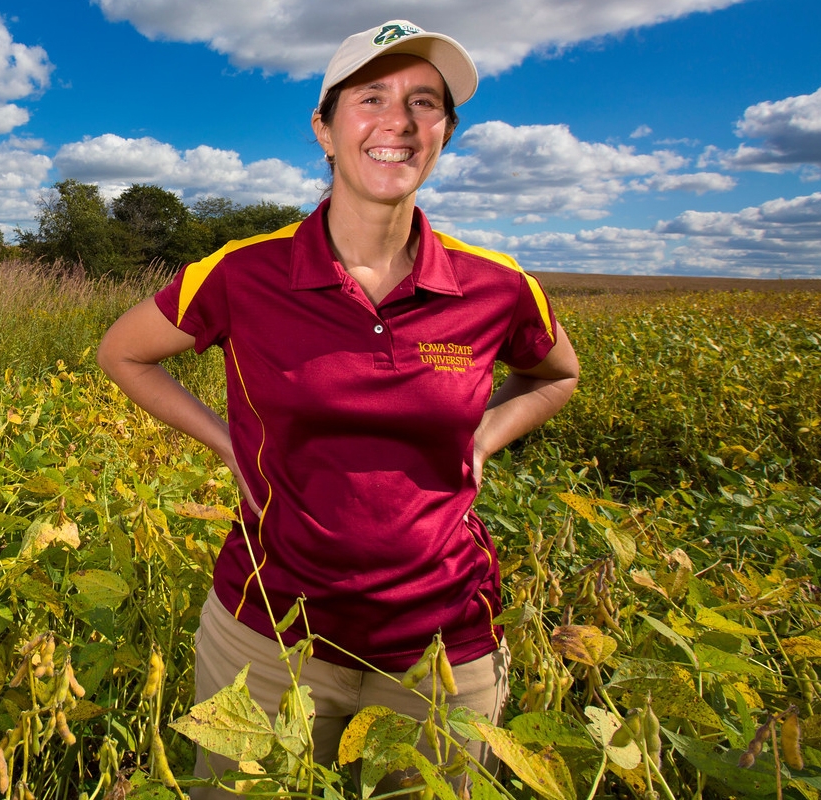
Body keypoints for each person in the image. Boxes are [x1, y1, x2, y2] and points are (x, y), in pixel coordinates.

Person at [96, 19, 580, 797]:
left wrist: (488, 438)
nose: (399, 122)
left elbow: (556, 375)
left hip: (442, 647)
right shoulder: (242, 273)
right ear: (323, 128)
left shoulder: (496, 285)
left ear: (445, 134)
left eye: (425, 102)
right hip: (265, 632)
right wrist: (225, 444)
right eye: (371, 98)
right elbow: (123, 352)